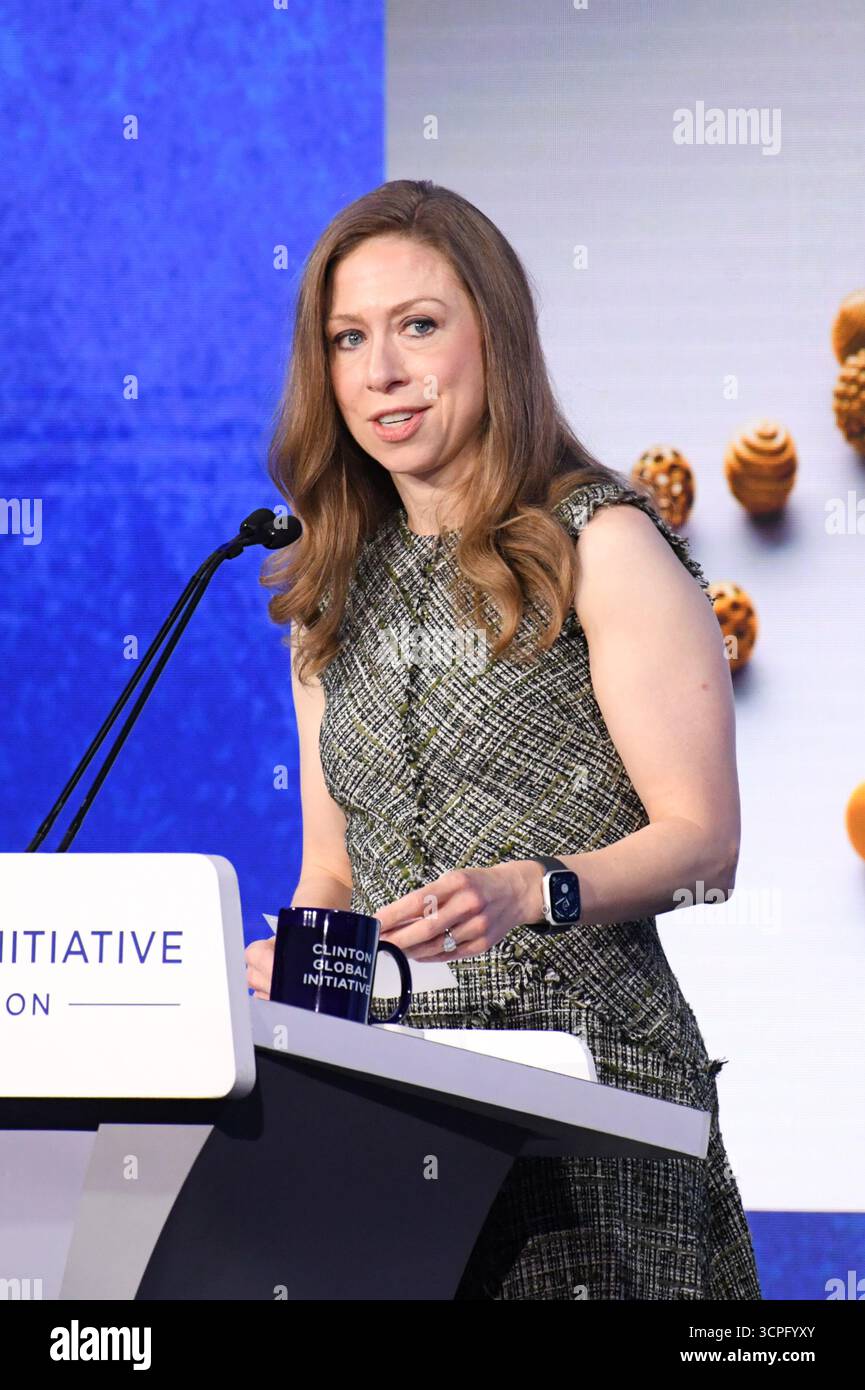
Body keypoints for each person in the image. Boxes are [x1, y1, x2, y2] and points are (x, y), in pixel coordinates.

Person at [245, 178, 762, 1301]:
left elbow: (705, 843)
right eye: (348, 338)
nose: (380, 371)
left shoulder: (602, 542)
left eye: (418, 326)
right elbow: (333, 870)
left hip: (587, 1105)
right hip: (386, 1102)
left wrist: (537, 889)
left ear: (495, 339)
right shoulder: (332, 592)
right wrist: (291, 967)